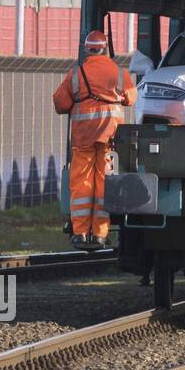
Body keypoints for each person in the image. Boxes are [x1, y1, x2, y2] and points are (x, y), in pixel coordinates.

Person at [52, 30, 136, 246]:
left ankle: (80, 232)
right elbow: (131, 98)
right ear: (106, 49)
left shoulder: (77, 74)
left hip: (83, 138)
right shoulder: (119, 73)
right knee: (105, 183)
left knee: (81, 182)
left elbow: (61, 104)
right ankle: (100, 234)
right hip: (110, 138)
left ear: (86, 50)